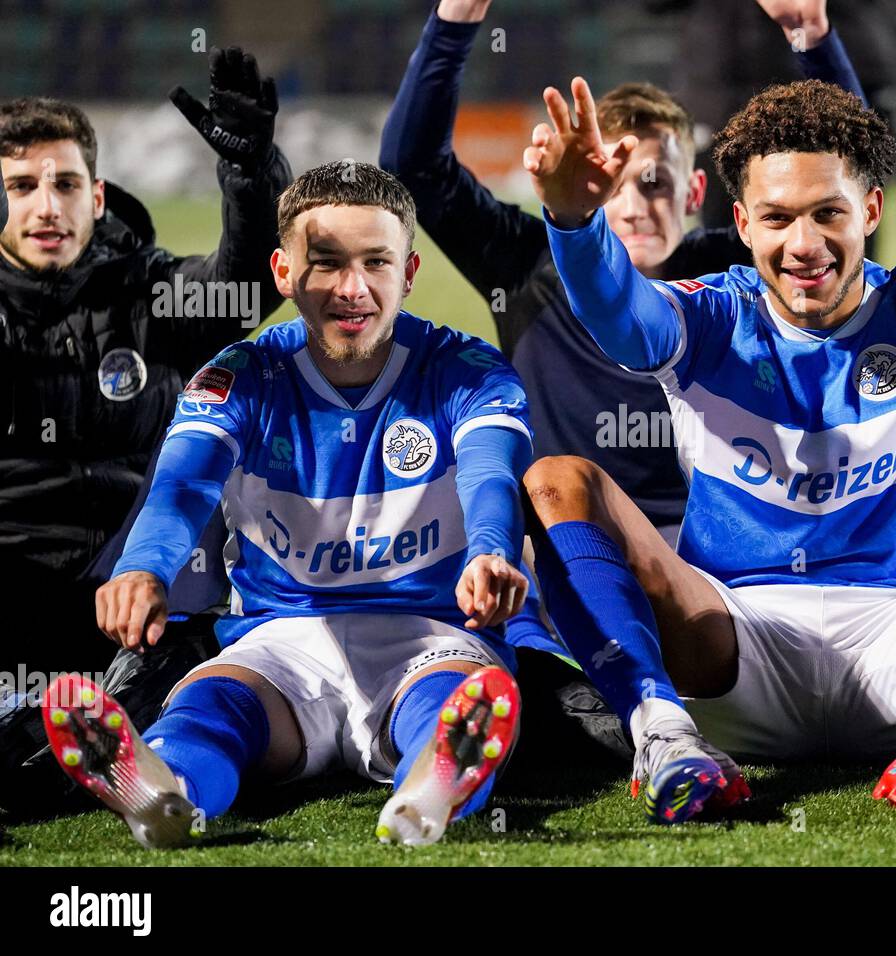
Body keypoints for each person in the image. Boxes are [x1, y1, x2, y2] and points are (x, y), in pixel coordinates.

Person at [519, 17, 896, 824]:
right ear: (743, 225)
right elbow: (617, 313)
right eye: (777, 218)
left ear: (870, 210)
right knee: (555, 481)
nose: (803, 243)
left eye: (827, 214)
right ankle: (663, 737)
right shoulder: (707, 318)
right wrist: (574, 223)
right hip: (731, 653)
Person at [40, 163, 533, 848]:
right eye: (326, 263)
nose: (352, 289)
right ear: (283, 270)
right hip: (283, 639)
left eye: (376, 262)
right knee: (210, 707)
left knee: (450, 704)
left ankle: (430, 788)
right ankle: (164, 790)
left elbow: (491, 475)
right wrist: (144, 568)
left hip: (432, 634)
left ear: (409, 272)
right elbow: (182, 487)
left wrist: (490, 551)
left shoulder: (468, 372)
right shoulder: (238, 378)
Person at [379, 0, 865, 541]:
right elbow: (412, 169)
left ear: (693, 193)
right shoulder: (528, 262)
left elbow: (845, 171)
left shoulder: (734, 271)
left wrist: (810, 34)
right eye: (608, 184)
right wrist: (453, 19)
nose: (632, 207)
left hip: (719, 546)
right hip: (574, 537)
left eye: (654, 184)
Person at [0, 48, 291, 817]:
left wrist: (249, 173)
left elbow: (244, 286)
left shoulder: (151, 292)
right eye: (22, 187)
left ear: (96, 196)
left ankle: (51, 750)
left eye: (65, 184)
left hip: (128, 593)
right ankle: (60, 745)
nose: (47, 207)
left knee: (193, 622)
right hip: (13, 580)